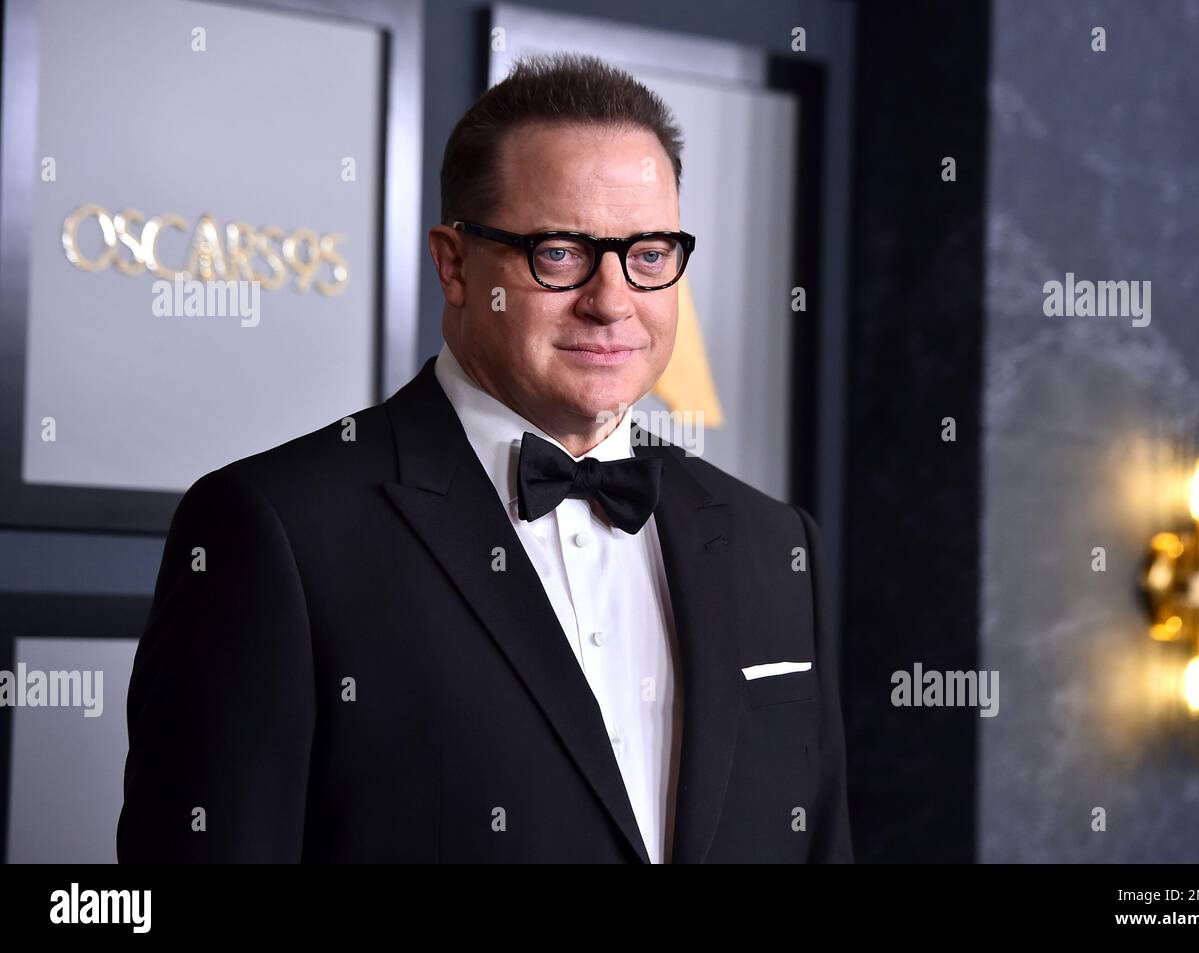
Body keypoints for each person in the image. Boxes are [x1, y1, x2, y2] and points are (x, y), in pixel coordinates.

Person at [118, 53, 852, 863]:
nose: (612, 300)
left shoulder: (775, 543)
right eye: (561, 251)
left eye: (647, 254)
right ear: (454, 263)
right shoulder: (277, 531)